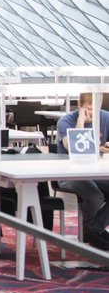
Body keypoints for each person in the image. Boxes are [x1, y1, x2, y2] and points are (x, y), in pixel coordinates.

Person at [56, 93, 109, 249]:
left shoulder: (105, 118)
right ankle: (92, 232)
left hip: (95, 172)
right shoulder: (65, 122)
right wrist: (80, 121)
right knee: (95, 196)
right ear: (80, 106)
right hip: (68, 174)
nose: (92, 113)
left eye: (95, 109)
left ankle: (93, 228)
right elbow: (72, 148)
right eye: (88, 108)